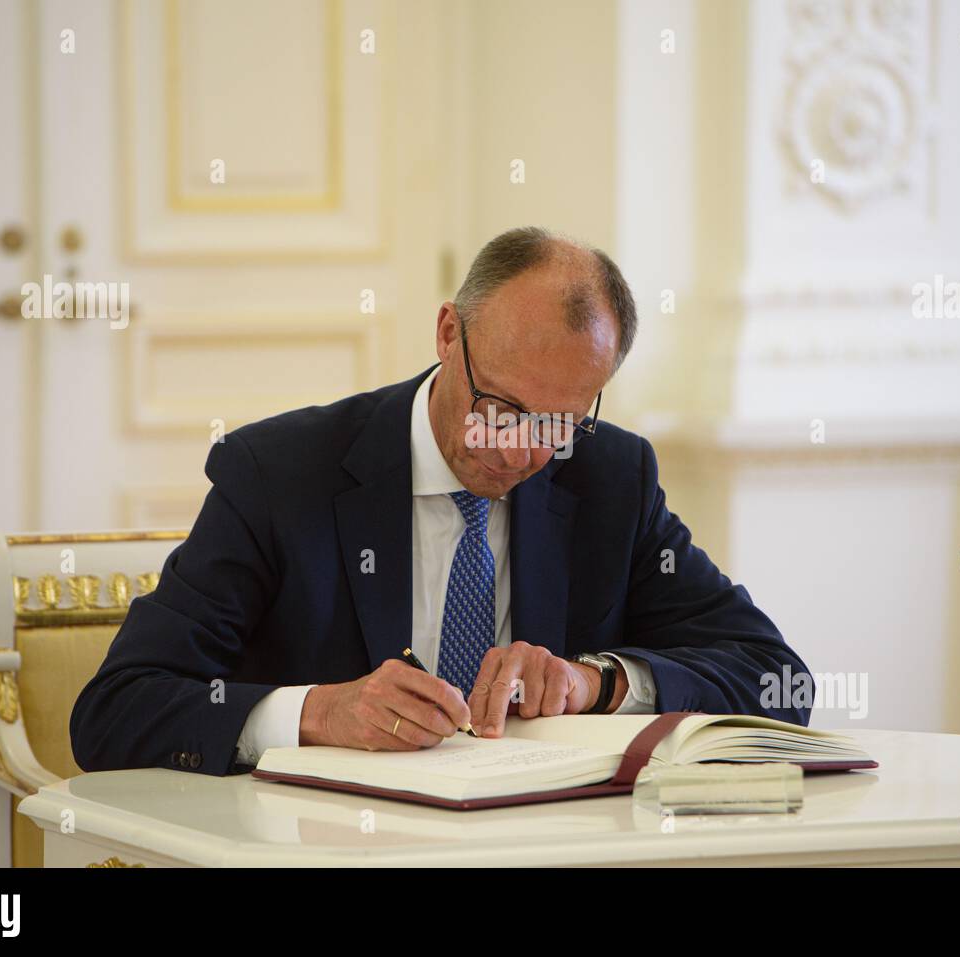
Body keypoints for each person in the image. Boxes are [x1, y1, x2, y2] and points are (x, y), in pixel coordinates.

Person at [70, 226, 814, 775]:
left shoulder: (611, 476)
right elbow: (116, 710)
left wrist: (598, 681)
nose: (522, 450)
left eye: (559, 422)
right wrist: (319, 712)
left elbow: (777, 677)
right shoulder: (278, 474)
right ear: (448, 332)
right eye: (502, 404)